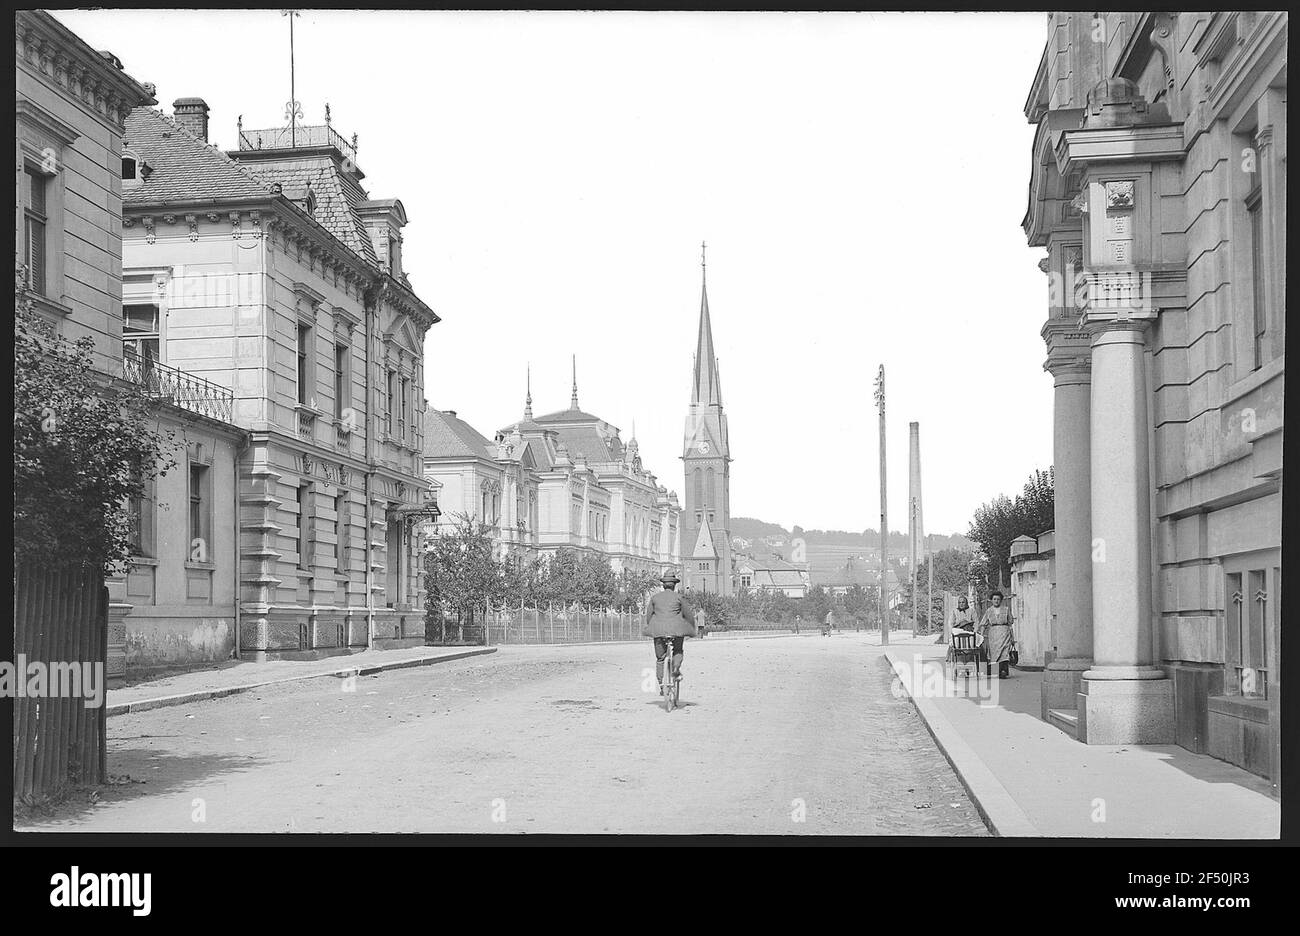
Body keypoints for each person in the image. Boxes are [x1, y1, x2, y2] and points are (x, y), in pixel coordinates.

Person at [643, 573, 696, 692]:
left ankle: (662, 684)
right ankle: (676, 668)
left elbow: (648, 616)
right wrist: (691, 628)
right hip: (676, 630)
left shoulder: (655, 598)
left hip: (658, 630)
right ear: (674, 585)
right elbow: (689, 616)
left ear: (663, 585)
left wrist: (652, 627)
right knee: (677, 650)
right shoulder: (679, 598)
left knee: (660, 658)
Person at [978, 590, 1016, 678]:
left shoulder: (1006, 609)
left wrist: (1012, 637)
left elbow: (1010, 623)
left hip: (1005, 632)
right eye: (994, 599)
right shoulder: (989, 611)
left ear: (1001, 600)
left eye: (998, 599)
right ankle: (996, 671)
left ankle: (1003, 671)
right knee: (994, 653)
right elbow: (983, 624)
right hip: (993, 634)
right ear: (991, 600)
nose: (996, 601)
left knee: (1004, 652)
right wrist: (981, 636)